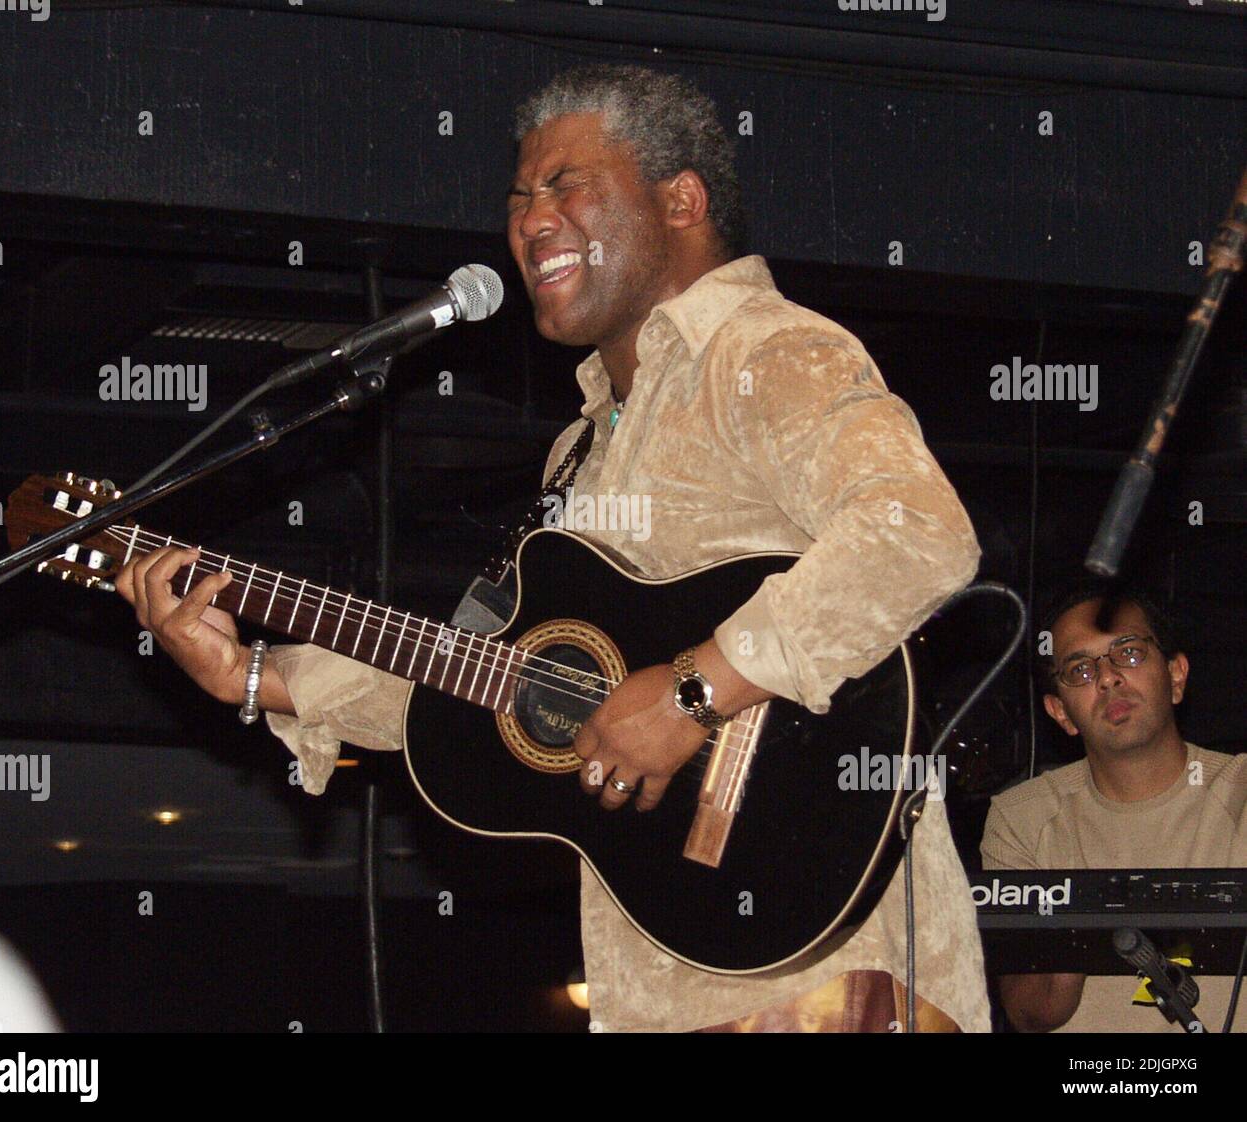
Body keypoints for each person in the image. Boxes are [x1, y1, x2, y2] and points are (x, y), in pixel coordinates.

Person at [116, 64, 988, 1032]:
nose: (530, 220)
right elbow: (479, 682)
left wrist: (697, 690)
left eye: (567, 185)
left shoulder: (762, 350)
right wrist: (257, 676)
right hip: (662, 972)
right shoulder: (580, 449)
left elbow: (917, 534)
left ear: (681, 199)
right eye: (519, 196)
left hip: (823, 974)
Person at [982, 582, 1247, 1032]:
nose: (1107, 678)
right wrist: (1084, 902)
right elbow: (1030, 1014)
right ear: (1061, 712)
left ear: (1176, 675)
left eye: (1128, 653)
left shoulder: (1240, 788)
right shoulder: (1021, 818)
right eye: (1080, 670)